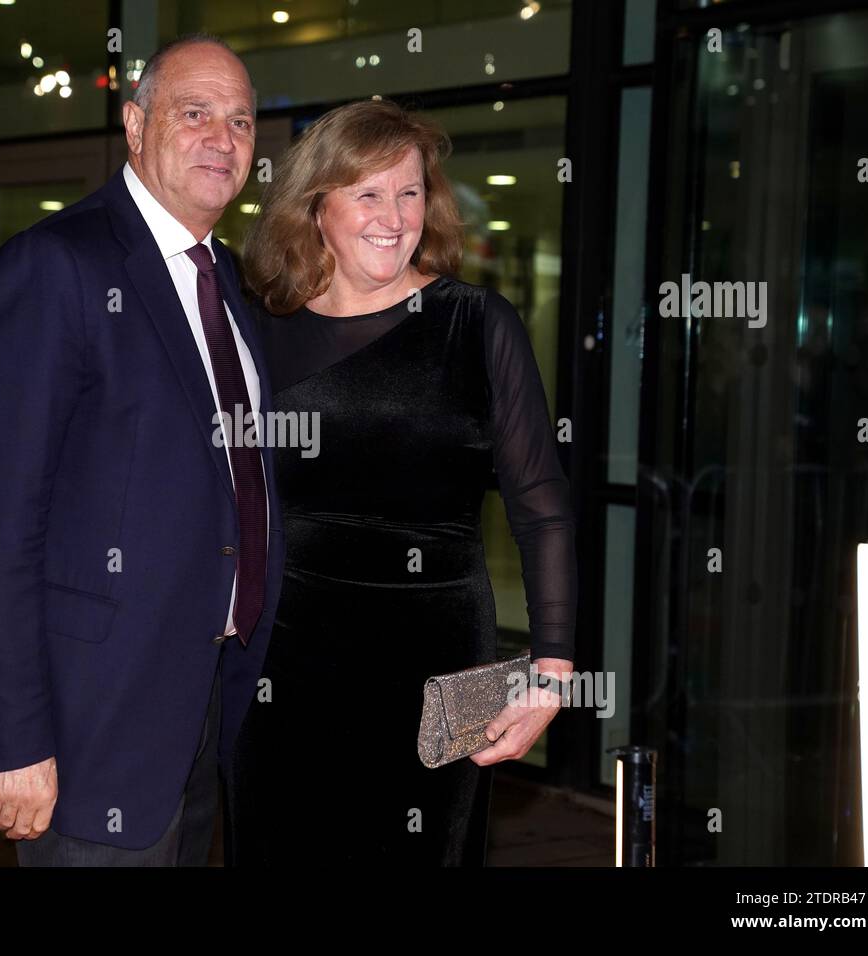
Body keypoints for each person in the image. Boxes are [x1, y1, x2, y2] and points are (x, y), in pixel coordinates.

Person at [0, 33, 284, 866]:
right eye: (194, 113)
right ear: (135, 125)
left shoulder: (230, 282)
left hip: (204, 707)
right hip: (89, 721)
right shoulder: (55, 264)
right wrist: (12, 737)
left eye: (240, 121)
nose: (223, 138)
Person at [231, 99, 578, 865]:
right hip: (283, 662)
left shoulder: (477, 325)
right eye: (368, 193)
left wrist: (551, 675)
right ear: (316, 206)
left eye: (411, 191)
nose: (394, 216)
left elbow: (543, 507)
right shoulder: (259, 328)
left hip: (441, 658)